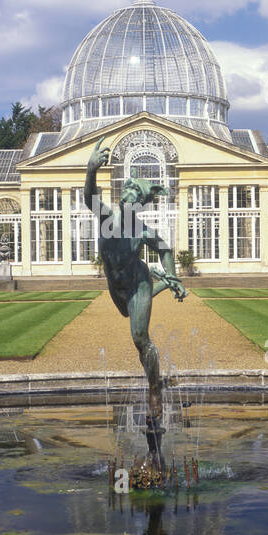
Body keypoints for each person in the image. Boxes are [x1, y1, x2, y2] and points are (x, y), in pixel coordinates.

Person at [85, 136, 187, 456]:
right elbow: (89, 197)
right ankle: (159, 285)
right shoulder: (106, 218)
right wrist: (90, 169)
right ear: (121, 197)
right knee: (130, 319)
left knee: (140, 337)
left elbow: (165, 248)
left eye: (136, 195)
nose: (130, 196)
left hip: (137, 283)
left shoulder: (142, 230)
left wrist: (171, 274)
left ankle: (155, 388)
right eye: (127, 191)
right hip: (116, 288)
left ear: (140, 204)